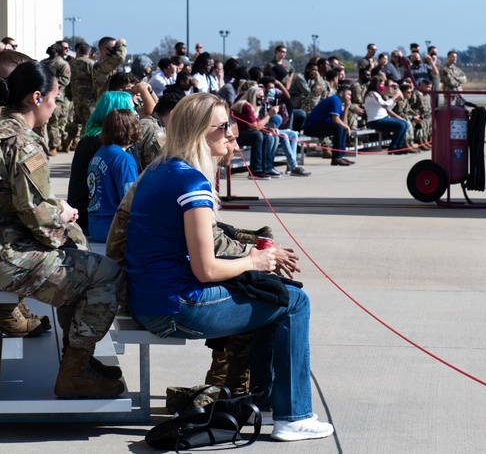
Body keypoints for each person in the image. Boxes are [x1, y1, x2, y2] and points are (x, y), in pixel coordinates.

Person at [126, 93, 334, 441]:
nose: (233, 134)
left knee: (273, 296)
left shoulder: (160, 170)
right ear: (198, 133)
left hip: (149, 299)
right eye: (223, 127)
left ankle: (267, 403)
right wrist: (254, 260)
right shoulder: (191, 182)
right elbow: (205, 270)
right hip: (175, 307)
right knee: (295, 302)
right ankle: (294, 416)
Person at [0, 61, 127, 399]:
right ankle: (75, 369)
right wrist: (66, 232)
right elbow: (41, 220)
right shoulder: (24, 144)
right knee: (105, 273)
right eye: (55, 99)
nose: (56, 106)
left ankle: (77, 363)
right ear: (35, 98)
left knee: (78, 257)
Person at [66, 91, 137, 235]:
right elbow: (129, 196)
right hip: (112, 226)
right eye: (131, 110)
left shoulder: (91, 143)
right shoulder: (120, 153)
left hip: (91, 221)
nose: (135, 113)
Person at [87, 109, 140, 243]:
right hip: (114, 230)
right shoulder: (124, 159)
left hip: (95, 227)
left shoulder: (98, 154)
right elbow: (129, 200)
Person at [231, 86, 281, 180]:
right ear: (252, 96)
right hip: (235, 135)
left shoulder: (253, 106)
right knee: (257, 135)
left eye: (262, 96)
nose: (261, 99)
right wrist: (269, 115)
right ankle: (256, 170)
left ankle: (267, 168)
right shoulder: (245, 105)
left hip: (245, 132)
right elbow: (255, 127)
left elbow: (258, 125)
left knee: (269, 136)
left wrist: (268, 129)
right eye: (259, 96)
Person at [302, 84, 354, 166]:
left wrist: (347, 107)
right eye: (348, 94)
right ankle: (336, 158)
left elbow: (341, 120)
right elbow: (335, 120)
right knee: (339, 128)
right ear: (341, 93)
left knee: (341, 128)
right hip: (312, 127)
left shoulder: (338, 101)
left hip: (322, 125)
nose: (350, 97)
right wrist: (347, 127)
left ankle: (341, 156)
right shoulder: (335, 100)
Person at [363, 74, 410, 153]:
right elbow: (385, 105)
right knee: (401, 125)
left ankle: (399, 146)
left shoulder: (378, 94)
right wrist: (394, 97)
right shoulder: (372, 94)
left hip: (383, 118)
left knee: (405, 123)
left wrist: (395, 99)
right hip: (375, 121)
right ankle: (393, 147)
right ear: (376, 84)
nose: (382, 86)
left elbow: (386, 108)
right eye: (381, 84)